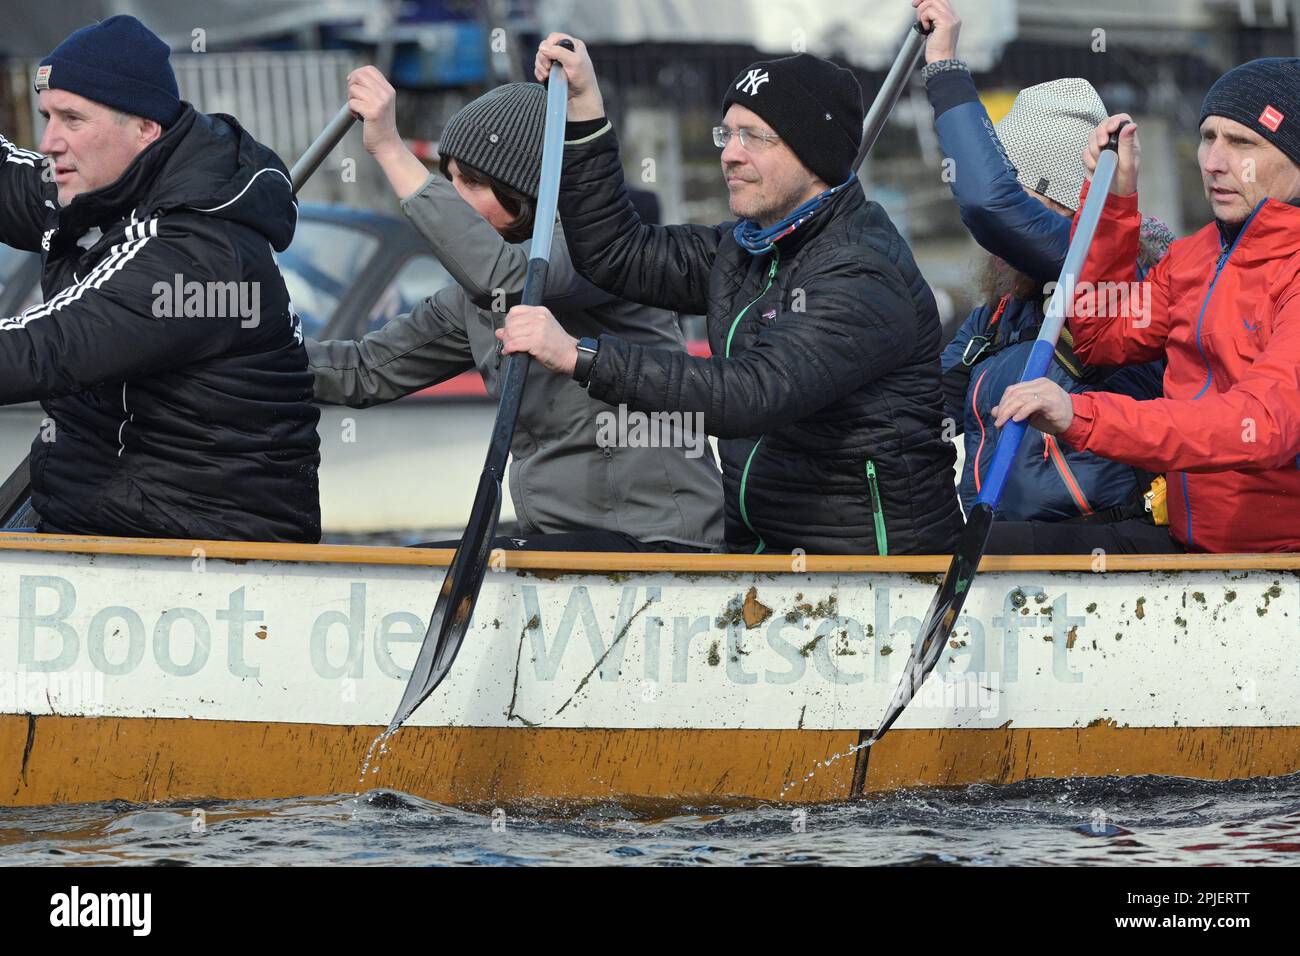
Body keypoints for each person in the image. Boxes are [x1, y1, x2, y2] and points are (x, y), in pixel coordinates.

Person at [499, 35, 963, 556]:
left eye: (755, 137)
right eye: (728, 133)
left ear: (814, 156)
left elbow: (750, 394)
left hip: (876, 573)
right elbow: (616, 252)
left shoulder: (861, 271)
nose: (729, 154)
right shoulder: (745, 248)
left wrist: (579, 356)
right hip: (764, 555)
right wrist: (586, 106)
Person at [308, 67, 724, 552]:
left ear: (527, 195)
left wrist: (388, 148)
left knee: (433, 571)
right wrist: (239, 350)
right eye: (450, 179)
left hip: (660, 541)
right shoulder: (472, 301)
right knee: (403, 568)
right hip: (558, 539)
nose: (456, 198)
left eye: (473, 183)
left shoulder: (599, 254)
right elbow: (361, 371)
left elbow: (506, 278)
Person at [0, 16, 320, 542]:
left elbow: (47, 348)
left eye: (72, 120)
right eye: (46, 117)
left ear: (145, 129)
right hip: (89, 512)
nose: (50, 141)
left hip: (194, 547)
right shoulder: (97, 188)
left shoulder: (199, 253)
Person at [994, 58, 1300, 553]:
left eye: (1242, 143)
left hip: (1279, 569)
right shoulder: (1194, 256)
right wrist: (1114, 201)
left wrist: (1081, 416)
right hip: (1192, 547)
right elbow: (1100, 337)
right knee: (997, 549)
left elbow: (1261, 426)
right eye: (1208, 137)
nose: (1214, 162)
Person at [915, 0, 1175, 553]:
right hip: (1008, 544)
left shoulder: (1111, 279)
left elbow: (990, 206)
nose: (1000, 241)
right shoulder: (999, 315)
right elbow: (921, 410)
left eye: (1026, 200)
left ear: (1063, 206)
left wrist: (944, 70)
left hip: (1104, 558)